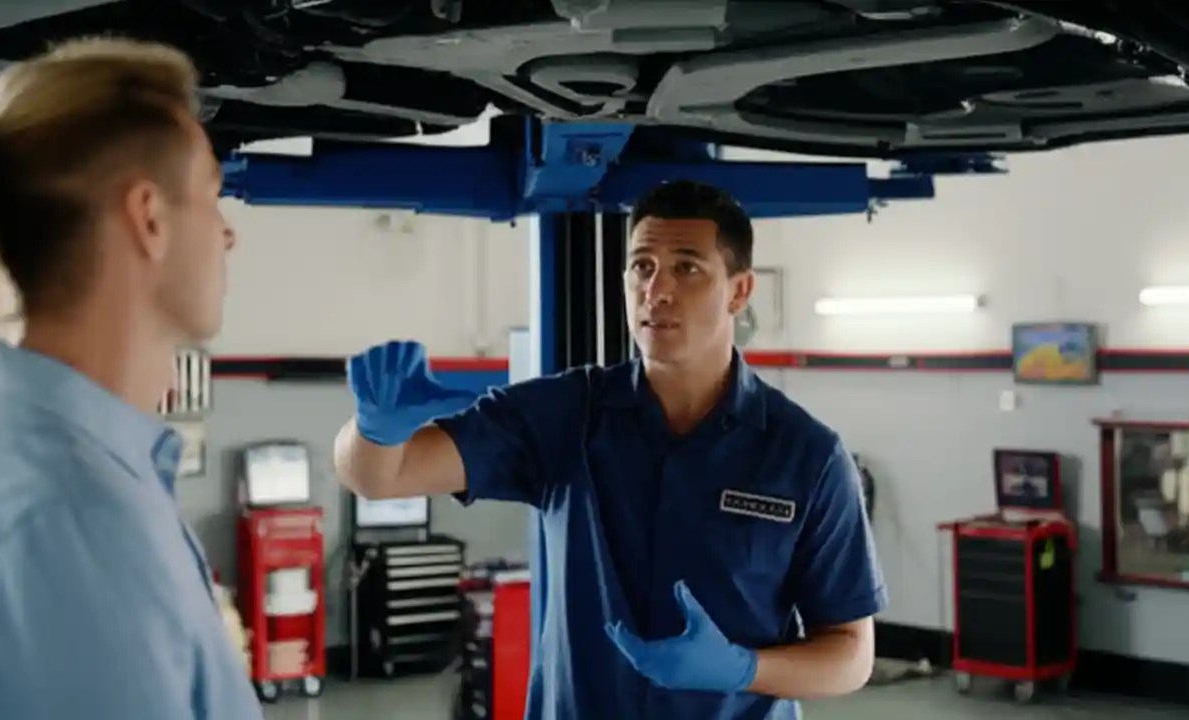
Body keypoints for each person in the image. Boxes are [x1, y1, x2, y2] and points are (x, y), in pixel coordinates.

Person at [334, 180, 887, 719]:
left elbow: (850, 655)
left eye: (687, 268)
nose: (657, 290)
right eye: (643, 267)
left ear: (739, 291)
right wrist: (374, 430)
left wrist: (745, 668)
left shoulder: (806, 456)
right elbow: (383, 477)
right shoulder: (566, 414)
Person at [0, 38, 260, 719]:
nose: (229, 235)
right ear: (149, 218)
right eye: (211, 194)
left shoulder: (58, 459)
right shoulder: (72, 518)